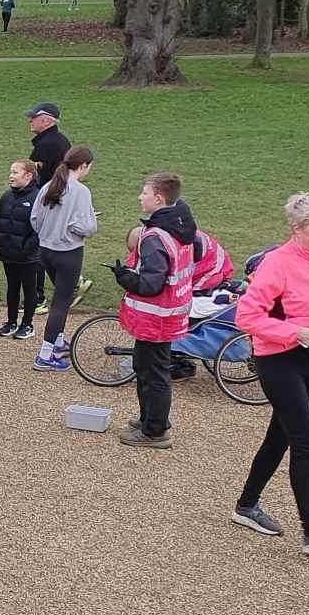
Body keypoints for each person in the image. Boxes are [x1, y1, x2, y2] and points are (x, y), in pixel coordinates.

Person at [232, 193, 309, 558]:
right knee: (306, 439)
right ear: (297, 228)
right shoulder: (277, 264)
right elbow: (247, 318)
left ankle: (246, 506)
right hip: (278, 359)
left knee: (281, 435)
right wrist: (295, 331)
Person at [110, 172, 197, 450]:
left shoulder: (154, 237)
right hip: (169, 313)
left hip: (155, 317)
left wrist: (124, 276)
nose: (140, 197)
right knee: (147, 368)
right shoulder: (180, 226)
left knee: (153, 373)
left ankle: (155, 430)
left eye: (144, 193)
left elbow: (151, 283)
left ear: (158, 198)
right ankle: (149, 419)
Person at [30, 144, 97, 371]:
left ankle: (57, 341)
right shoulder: (81, 191)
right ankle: (45, 354)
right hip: (68, 252)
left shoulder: (49, 186)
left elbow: (35, 218)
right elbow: (87, 227)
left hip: (45, 250)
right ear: (84, 165)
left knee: (59, 296)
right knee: (62, 302)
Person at [0, 159, 43, 340]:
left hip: (28, 256)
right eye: (11, 172)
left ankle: (27, 324)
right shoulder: (6, 196)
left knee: (29, 289)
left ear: (28, 175)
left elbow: (39, 229)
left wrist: (27, 249)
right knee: (12, 287)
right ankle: (11, 321)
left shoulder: (37, 198)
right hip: (8, 253)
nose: (10, 176)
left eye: (15, 172)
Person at [26, 101, 71, 186]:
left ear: (46, 121)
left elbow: (37, 177)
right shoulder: (60, 139)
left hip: (48, 194)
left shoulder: (47, 144)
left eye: (34, 117)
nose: (30, 120)